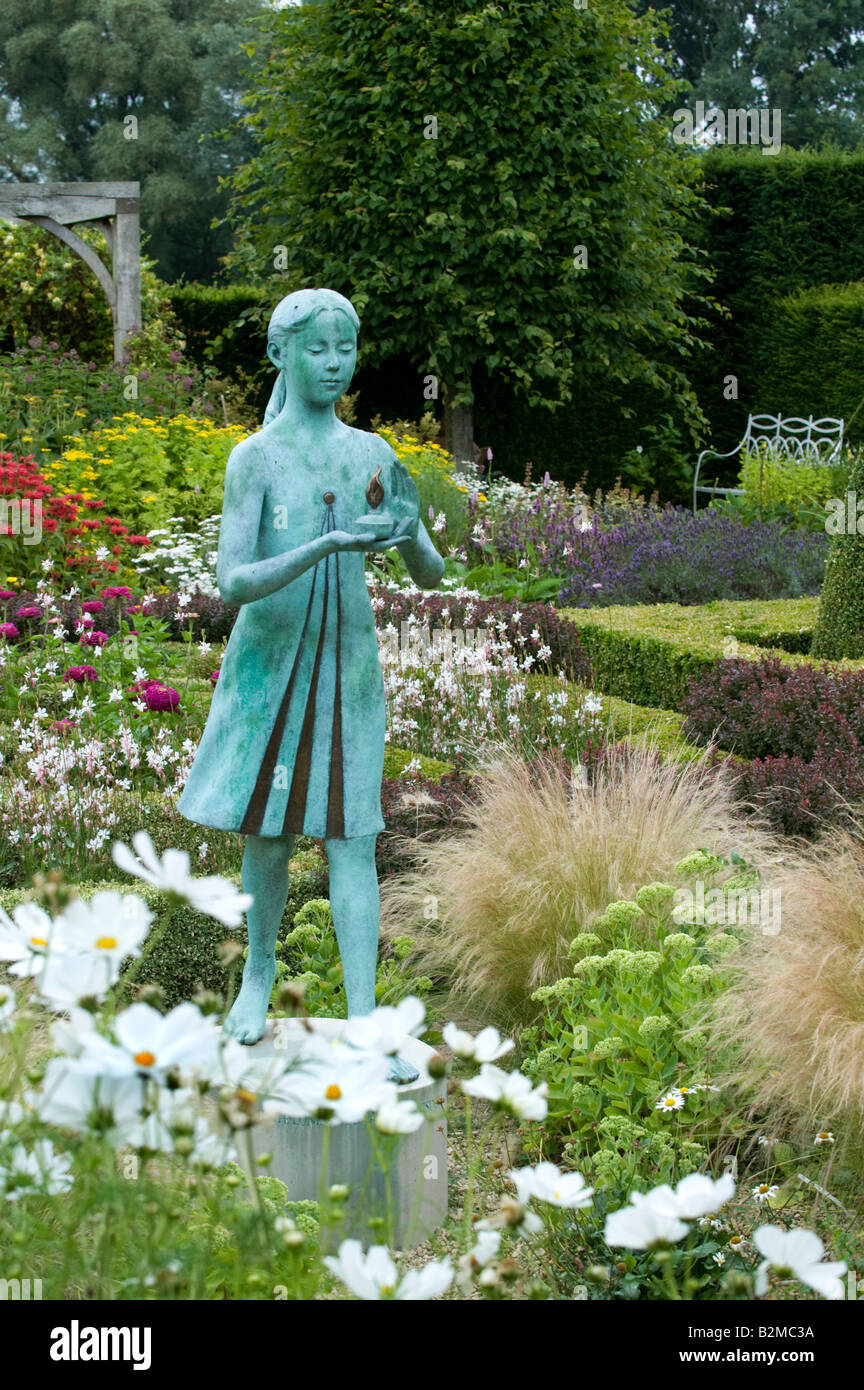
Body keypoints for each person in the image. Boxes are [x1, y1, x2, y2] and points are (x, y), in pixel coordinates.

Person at [178, 288, 444, 1076]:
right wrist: (323, 545)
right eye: (318, 350)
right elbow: (232, 580)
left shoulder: (371, 453)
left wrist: (408, 534)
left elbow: (429, 572)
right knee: (267, 831)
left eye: (345, 350)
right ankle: (257, 977)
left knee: (353, 835)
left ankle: (364, 1017)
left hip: (347, 664)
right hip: (270, 659)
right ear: (280, 355)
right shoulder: (254, 458)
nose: (333, 364)